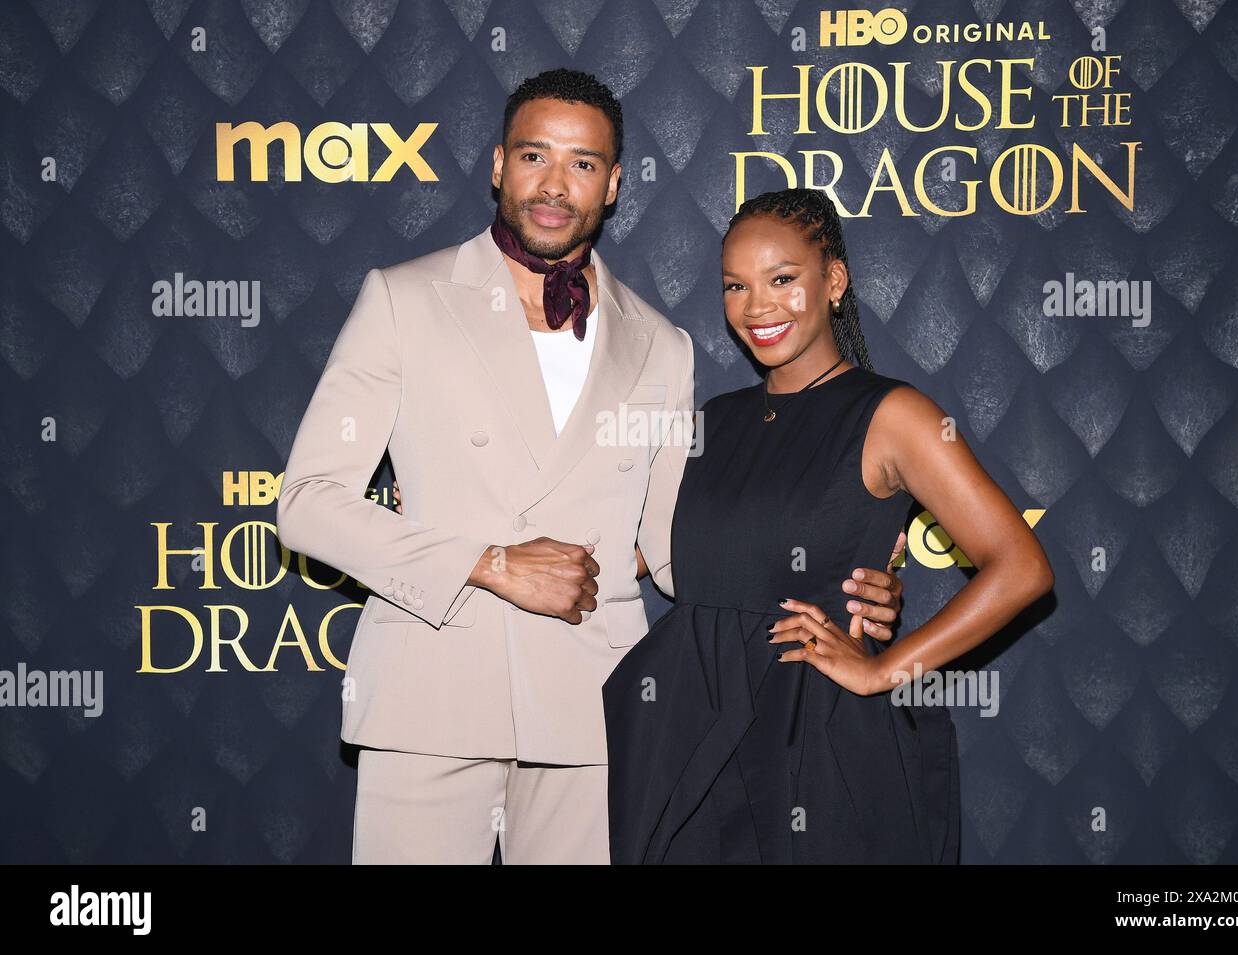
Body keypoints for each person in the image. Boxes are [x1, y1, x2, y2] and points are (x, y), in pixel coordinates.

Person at [276, 71, 904, 864]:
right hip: (428, 694)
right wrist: (491, 563)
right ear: (499, 164)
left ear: (612, 184)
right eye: (535, 154)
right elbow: (307, 503)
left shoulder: (660, 344)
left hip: (593, 705)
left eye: (582, 163)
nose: (553, 183)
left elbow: (681, 548)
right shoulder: (405, 298)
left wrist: (838, 580)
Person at [602, 187, 1055, 864]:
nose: (757, 307)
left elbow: (1022, 567)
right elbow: (640, 548)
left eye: (782, 279)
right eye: (736, 285)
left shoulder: (894, 415)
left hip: (817, 738)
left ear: (833, 281)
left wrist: (887, 670)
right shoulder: (712, 422)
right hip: (691, 737)